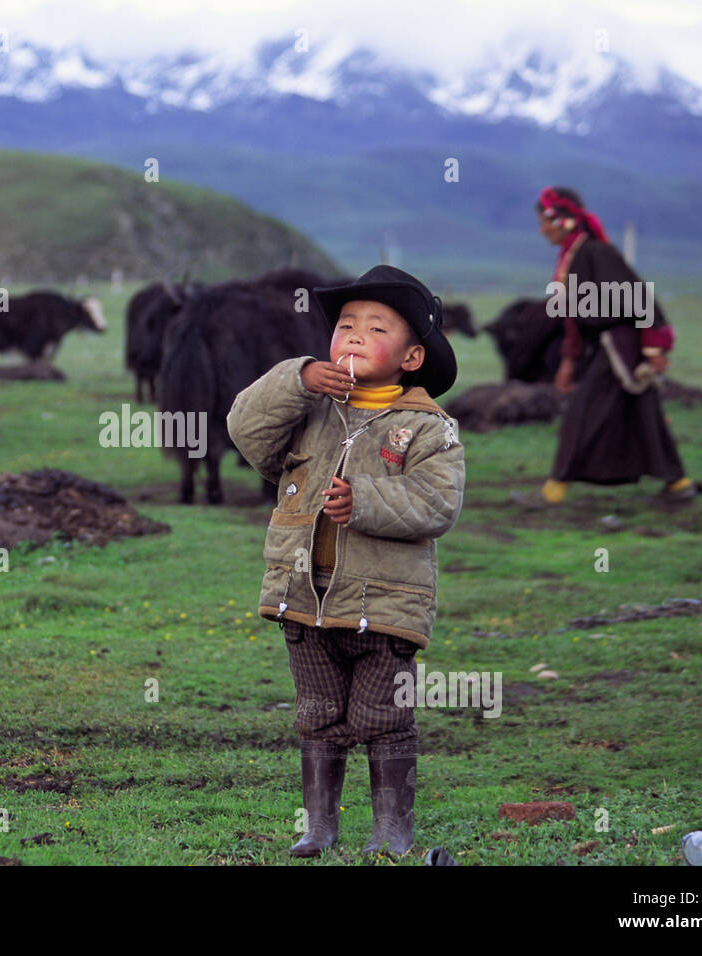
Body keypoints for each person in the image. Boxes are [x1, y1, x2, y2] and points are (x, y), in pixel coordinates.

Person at [226, 264, 465, 858]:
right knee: (317, 714)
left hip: (384, 603)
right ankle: (320, 828)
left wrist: (367, 499)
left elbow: (437, 503)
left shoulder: (427, 428)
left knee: (383, 717)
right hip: (302, 597)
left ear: (411, 358)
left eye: (376, 328)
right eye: (345, 326)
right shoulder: (309, 411)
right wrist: (298, 378)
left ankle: (392, 829)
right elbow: (244, 429)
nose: (354, 335)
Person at [530, 186, 694, 504]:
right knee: (644, 411)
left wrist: (655, 348)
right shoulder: (573, 256)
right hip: (603, 346)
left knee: (582, 410)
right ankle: (678, 483)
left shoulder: (597, 254)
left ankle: (554, 490)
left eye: (543, 222)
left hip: (620, 346)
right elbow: (574, 319)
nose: (541, 230)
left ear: (562, 219)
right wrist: (569, 359)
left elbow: (639, 297)